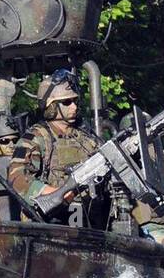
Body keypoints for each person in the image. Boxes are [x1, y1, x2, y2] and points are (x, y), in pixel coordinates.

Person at [7, 69, 102, 222]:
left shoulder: (86, 138)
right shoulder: (36, 138)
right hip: (53, 226)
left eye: (74, 101)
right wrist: (54, 192)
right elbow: (16, 177)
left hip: (88, 221)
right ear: (50, 106)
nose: (74, 107)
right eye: (66, 102)